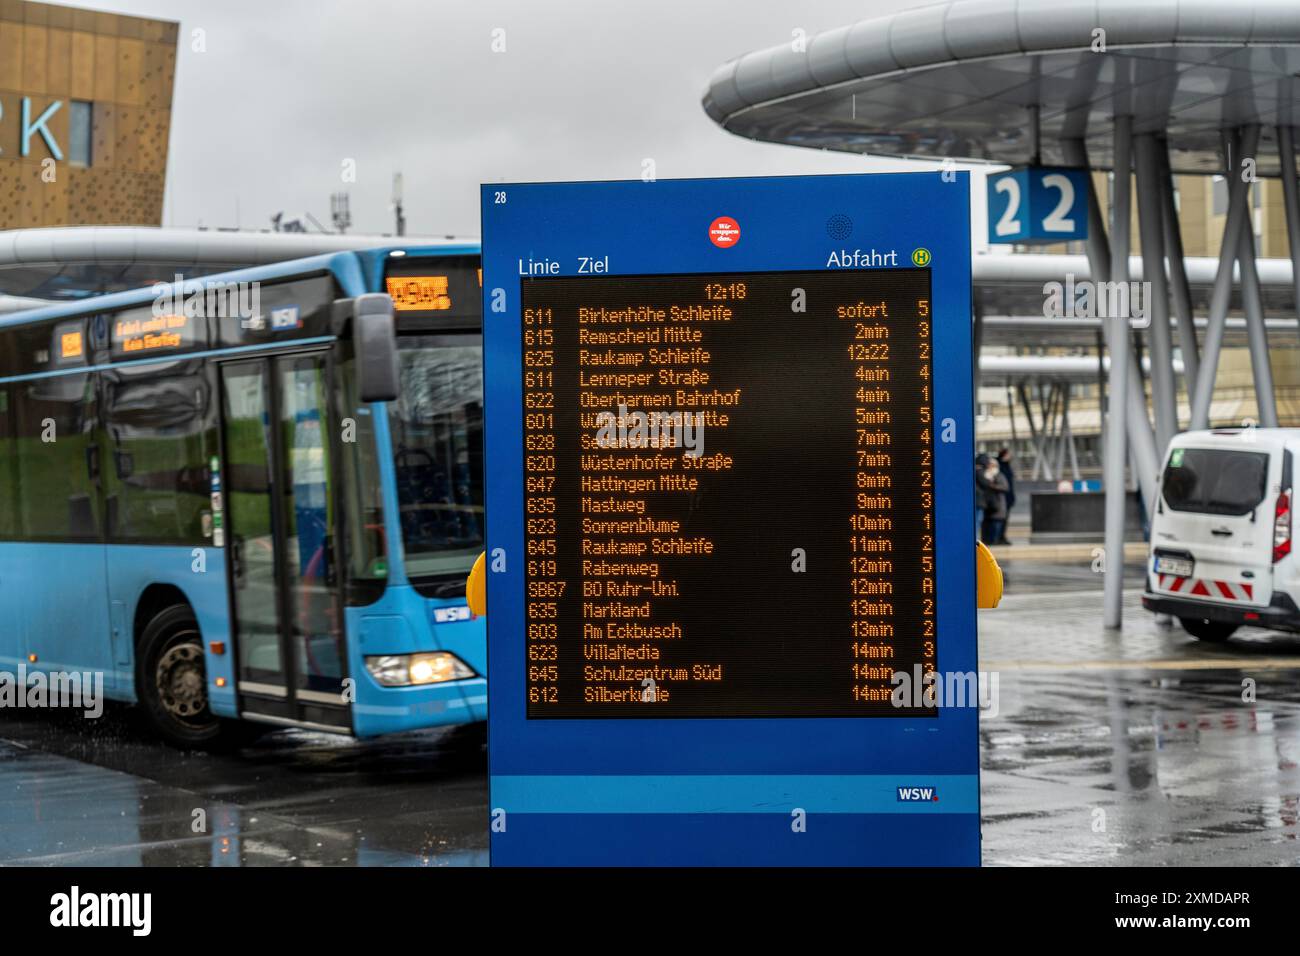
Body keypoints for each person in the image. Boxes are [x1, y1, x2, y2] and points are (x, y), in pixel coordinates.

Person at [981, 456, 1009, 545]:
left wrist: (993, 486)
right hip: (987, 505)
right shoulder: (984, 475)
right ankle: (988, 540)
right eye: (989, 464)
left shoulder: (999, 475)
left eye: (992, 465)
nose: (990, 466)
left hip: (998, 504)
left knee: (996, 523)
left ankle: (995, 540)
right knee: (987, 524)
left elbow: (1005, 487)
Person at [996, 448, 1016, 545]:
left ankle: (1002, 537)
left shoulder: (1007, 466)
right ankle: (999, 537)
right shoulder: (999, 466)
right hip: (1001, 498)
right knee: (1001, 518)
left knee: (1005, 519)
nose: (1011, 456)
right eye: (1009, 454)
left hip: (1008, 498)